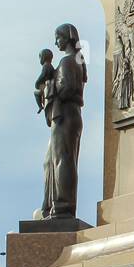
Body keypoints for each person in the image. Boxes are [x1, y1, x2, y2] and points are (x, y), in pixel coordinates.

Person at [35, 25, 86, 219]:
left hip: (65, 114)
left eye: (58, 37)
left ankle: (63, 205)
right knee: (50, 161)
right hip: (65, 115)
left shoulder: (67, 61)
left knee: (62, 158)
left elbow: (67, 88)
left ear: (67, 38)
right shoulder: (75, 60)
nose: (56, 42)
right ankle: (50, 204)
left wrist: (48, 88)